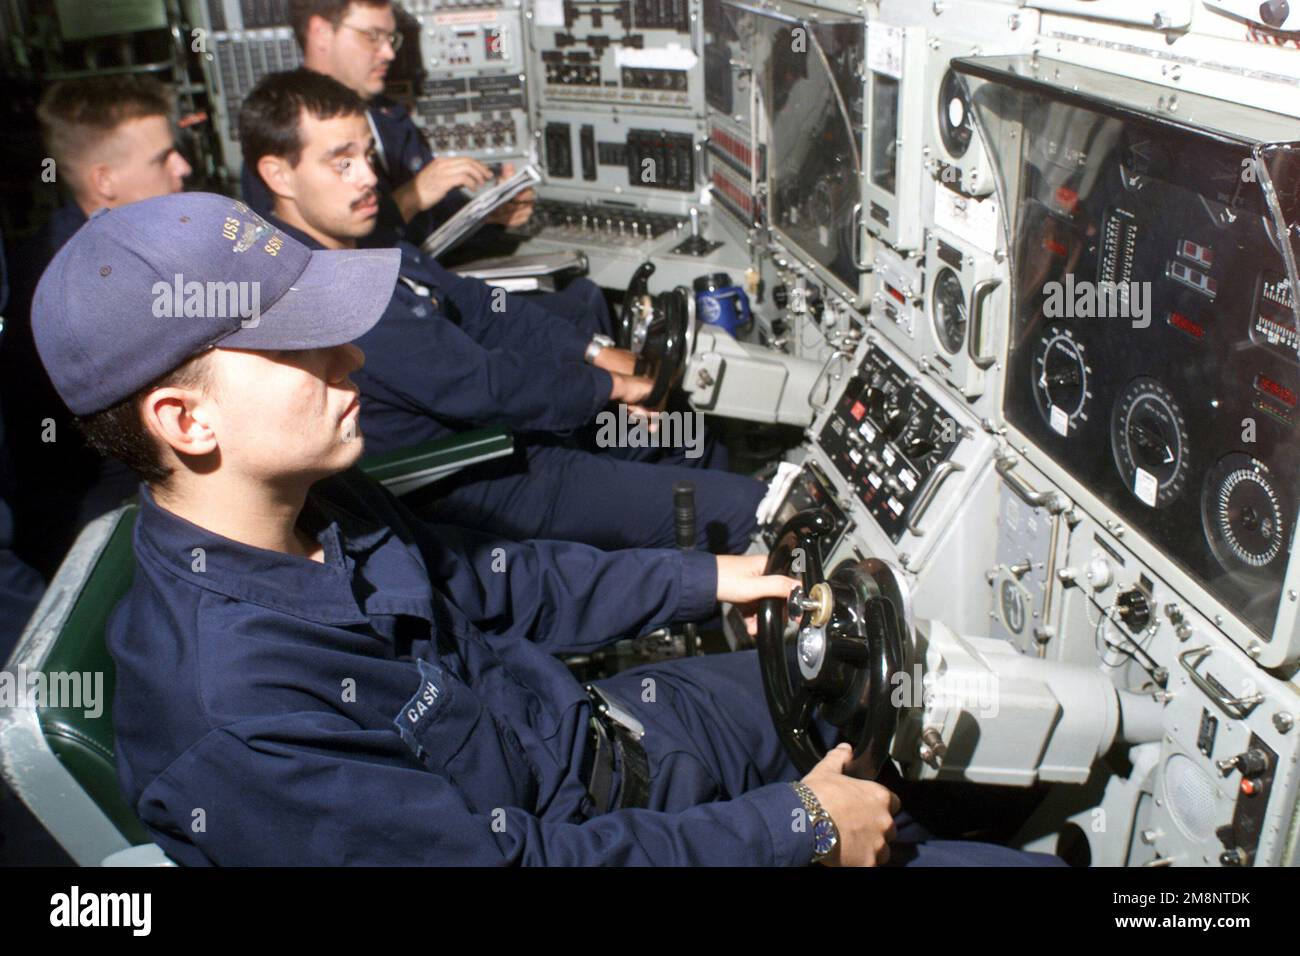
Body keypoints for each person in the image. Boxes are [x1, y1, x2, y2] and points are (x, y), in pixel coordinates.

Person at [31, 192, 1064, 866]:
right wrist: (792, 825)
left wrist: (707, 578)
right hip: (580, 837)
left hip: (601, 736)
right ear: (185, 420)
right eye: (303, 347)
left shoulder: (313, 503)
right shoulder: (232, 714)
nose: (351, 360)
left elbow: (499, 581)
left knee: (900, 697)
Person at [240, 70, 765, 554]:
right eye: (341, 162)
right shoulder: (320, 288)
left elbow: (478, 308)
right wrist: (616, 388)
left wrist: (600, 353)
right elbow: (483, 385)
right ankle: (685, 586)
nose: (368, 178)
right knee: (747, 511)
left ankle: (690, 593)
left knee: (688, 432)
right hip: (473, 477)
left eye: (367, 156)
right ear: (279, 176)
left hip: (503, 432)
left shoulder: (362, 239)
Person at [239, 0, 609, 337]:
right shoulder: (283, 141)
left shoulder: (388, 120)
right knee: (574, 312)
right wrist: (412, 196)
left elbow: (443, 227)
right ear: (321, 32)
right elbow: (326, 268)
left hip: (434, 280)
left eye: (390, 39)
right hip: (394, 317)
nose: (386, 53)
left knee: (580, 294)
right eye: (372, 37)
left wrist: (491, 216)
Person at [0, 76, 192, 577]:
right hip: (108, 522)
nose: (184, 169)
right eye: (162, 159)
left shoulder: (116, 250)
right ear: (104, 181)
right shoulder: (74, 284)